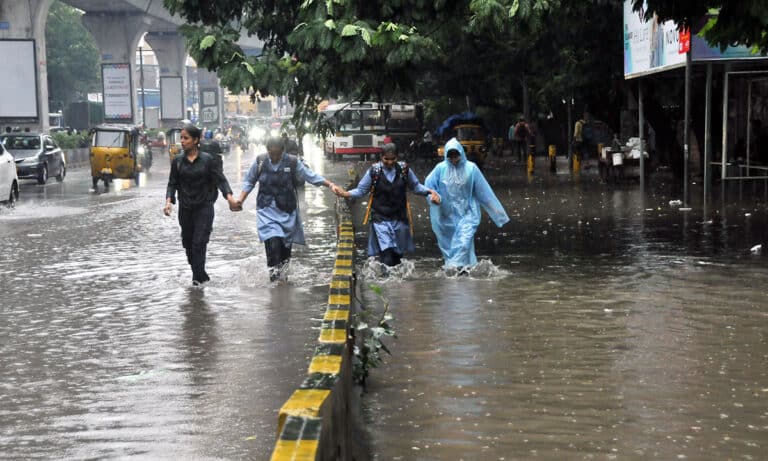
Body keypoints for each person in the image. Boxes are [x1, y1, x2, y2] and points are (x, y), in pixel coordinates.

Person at [234, 136, 342, 282]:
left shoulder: (292, 162)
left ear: (283, 151)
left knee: (285, 252)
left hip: (287, 213)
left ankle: (283, 283)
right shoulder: (260, 161)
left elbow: (310, 176)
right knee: (272, 244)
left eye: (278, 154)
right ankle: (274, 283)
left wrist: (330, 185)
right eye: (272, 154)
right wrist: (240, 199)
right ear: (267, 151)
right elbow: (249, 181)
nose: (275, 157)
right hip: (266, 212)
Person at [337, 143, 440, 267]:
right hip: (380, 219)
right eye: (386, 159)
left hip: (400, 218)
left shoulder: (404, 170)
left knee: (398, 255)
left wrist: (430, 192)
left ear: (397, 158)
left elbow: (416, 186)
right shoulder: (374, 171)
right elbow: (361, 190)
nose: (390, 162)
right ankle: (386, 281)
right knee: (387, 253)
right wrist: (346, 194)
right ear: (381, 157)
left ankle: (393, 283)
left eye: (393, 159)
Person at [164, 124, 240, 286]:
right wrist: (168, 202)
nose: (182, 141)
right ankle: (201, 274)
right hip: (185, 209)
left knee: (199, 243)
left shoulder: (208, 160)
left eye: (186, 138)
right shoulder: (177, 161)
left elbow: (221, 180)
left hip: (204, 208)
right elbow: (172, 183)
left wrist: (230, 198)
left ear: (196, 140)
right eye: (181, 138)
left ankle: (197, 282)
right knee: (188, 244)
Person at [424, 138, 509, 273]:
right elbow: (428, 186)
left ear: (461, 153)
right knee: (451, 245)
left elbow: (483, 191)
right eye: (450, 156)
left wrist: (497, 212)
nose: (453, 159)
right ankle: (460, 275)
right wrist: (434, 197)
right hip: (447, 214)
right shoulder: (440, 169)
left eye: (456, 155)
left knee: (464, 242)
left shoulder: (471, 168)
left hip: (468, 212)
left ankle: (454, 272)